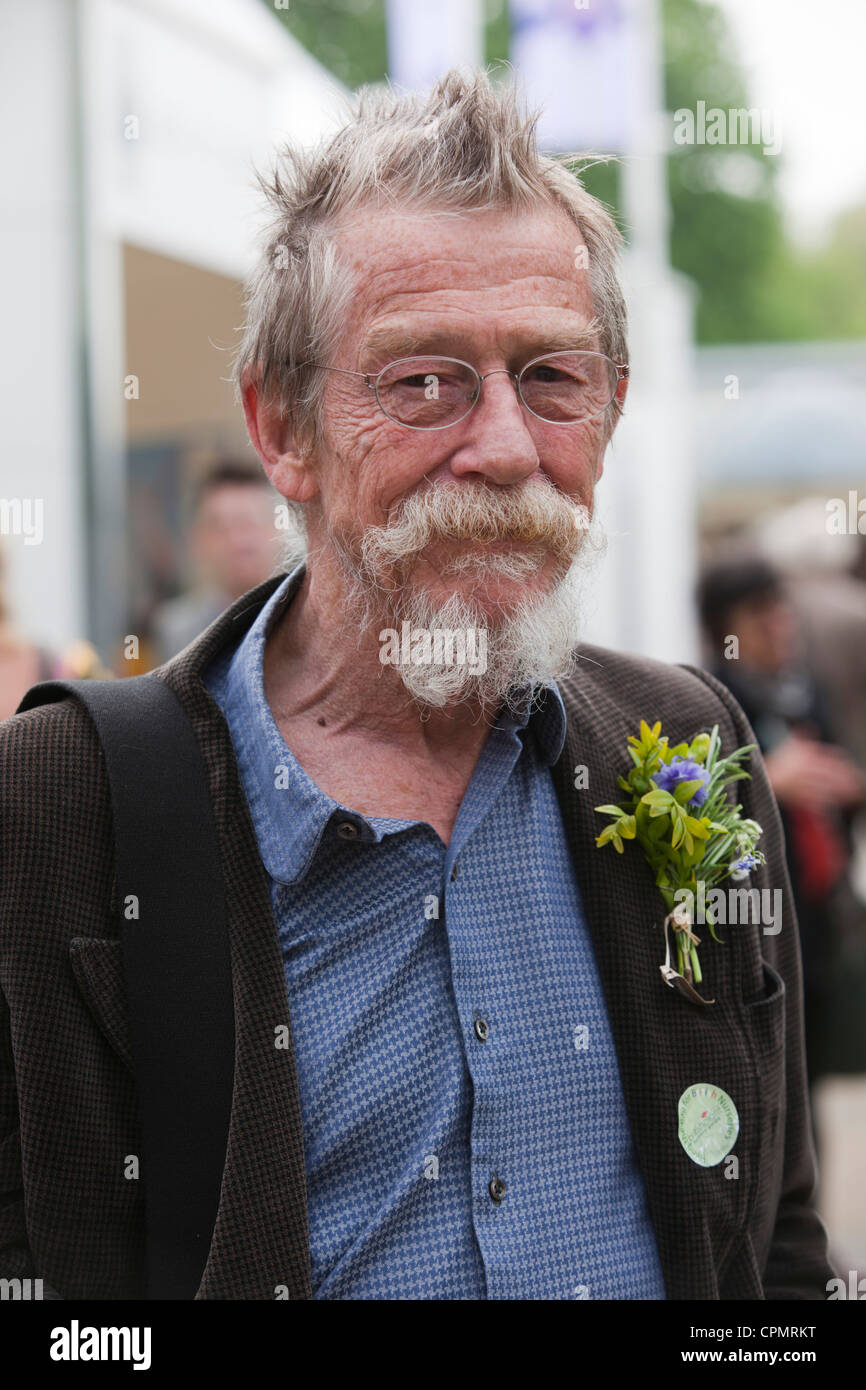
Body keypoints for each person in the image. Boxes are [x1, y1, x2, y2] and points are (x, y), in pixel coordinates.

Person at [0, 71, 833, 1300]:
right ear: (282, 428)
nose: (502, 448)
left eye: (551, 377)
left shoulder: (687, 739)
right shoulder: (67, 800)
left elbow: (774, 1232)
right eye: (422, 381)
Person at [698, 553, 866, 1097]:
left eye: (782, 611)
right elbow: (690, 816)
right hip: (752, 930)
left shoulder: (802, 695)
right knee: (771, 1088)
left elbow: (833, 780)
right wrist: (768, 779)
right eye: (760, 615)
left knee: (814, 1082)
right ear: (724, 630)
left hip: (816, 917)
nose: (780, 626)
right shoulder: (702, 704)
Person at [148, 461, 284, 664]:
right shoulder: (173, 631)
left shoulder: (306, 618)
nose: (239, 541)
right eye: (223, 527)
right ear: (197, 539)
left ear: (278, 529)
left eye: (250, 523)